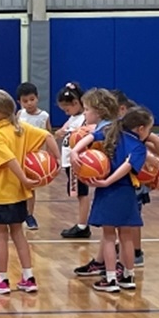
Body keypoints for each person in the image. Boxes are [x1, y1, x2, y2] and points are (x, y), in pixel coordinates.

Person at [0, 90, 59, 294]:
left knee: (0, 235)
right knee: (19, 234)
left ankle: (3, 280)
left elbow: (9, 160)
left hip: (1, 193)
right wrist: (57, 162)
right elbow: (48, 136)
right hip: (20, 194)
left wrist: (23, 177)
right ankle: (28, 277)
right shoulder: (20, 128)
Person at [71, 107, 155, 292]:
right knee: (126, 237)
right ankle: (128, 276)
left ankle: (110, 280)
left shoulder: (112, 133)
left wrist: (75, 151)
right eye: (149, 129)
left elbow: (91, 137)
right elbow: (127, 166)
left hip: (108, 191)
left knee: (109, 236)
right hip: (126, 193)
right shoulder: (139, 147)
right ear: (140, 128)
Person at [55, 83, 92, 239]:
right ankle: (82, 224)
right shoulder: (73, 118)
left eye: (67, 109)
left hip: (77, 161)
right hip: (69, 161)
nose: (66, 112)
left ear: (76, 103)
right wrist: (61, 132)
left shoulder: (84, 118)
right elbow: (58, 133)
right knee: (78, 194)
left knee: (82, 194)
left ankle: (83, 226)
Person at [16, 82, 51, 230]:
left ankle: (30, 215)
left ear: (37, 98)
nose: (29, 103)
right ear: (19, 102)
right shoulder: (19, 115)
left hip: (34, 158)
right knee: (17, 186)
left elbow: (49, 135)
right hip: (18, 154)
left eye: (31, 99)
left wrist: (51, 157)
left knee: (30, 187)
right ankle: (18, 213)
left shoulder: (44, 116)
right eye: (25, 101)